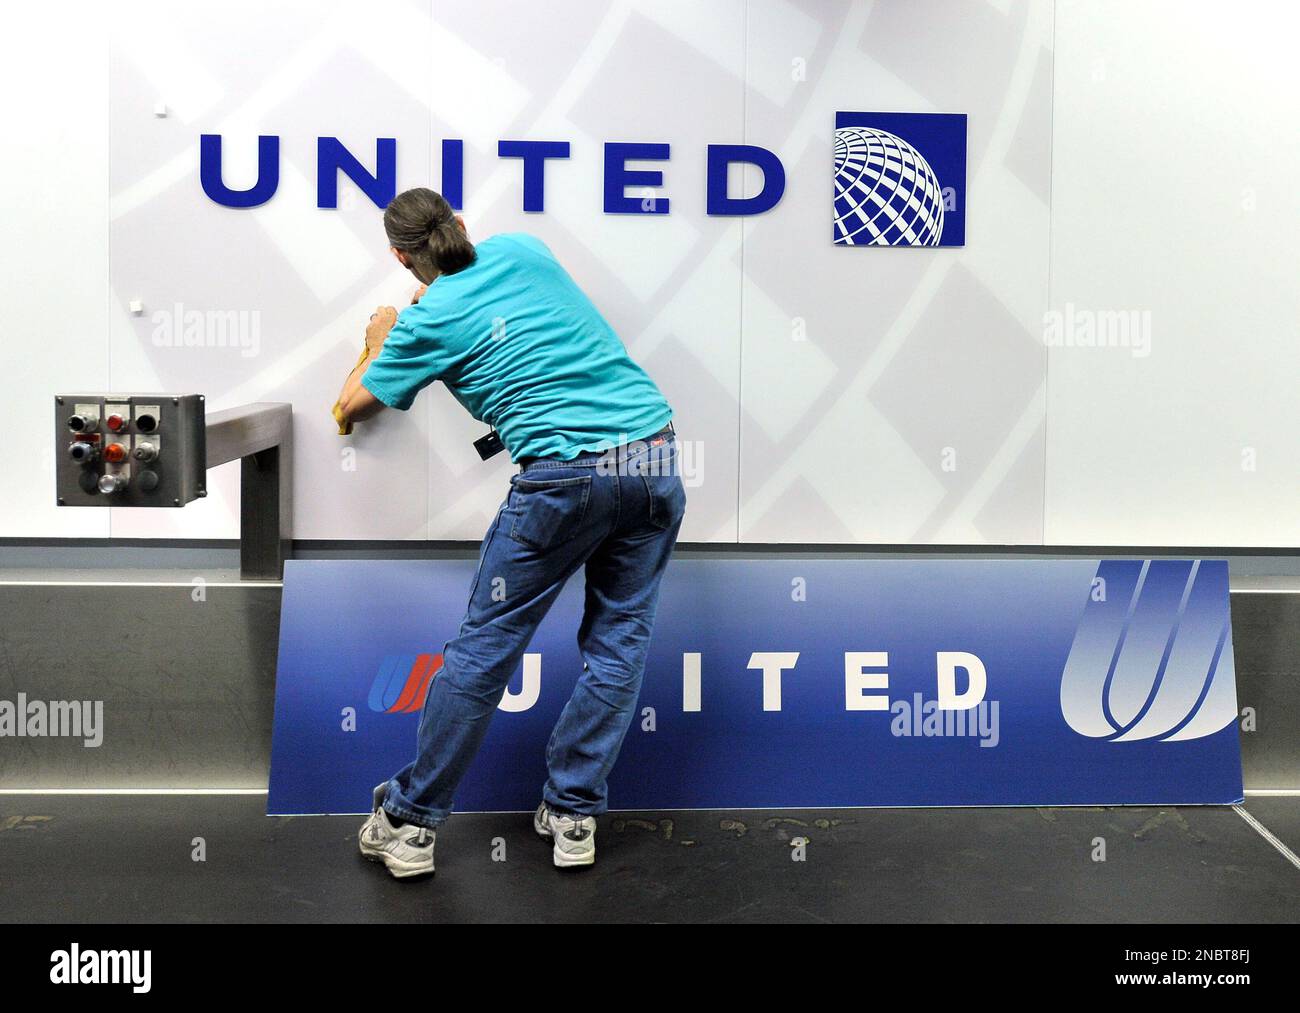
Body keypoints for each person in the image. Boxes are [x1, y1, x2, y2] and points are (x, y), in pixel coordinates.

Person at [333, 188, 686, 878]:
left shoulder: (422, 322)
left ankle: (408, 824)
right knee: (619, 642)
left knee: (481, 654)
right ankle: (573, 812)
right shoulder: (525, 247)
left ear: (400, 258)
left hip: (562, 480)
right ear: (462, 224)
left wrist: (380, 337)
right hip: (653, 455)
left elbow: (349, 406)